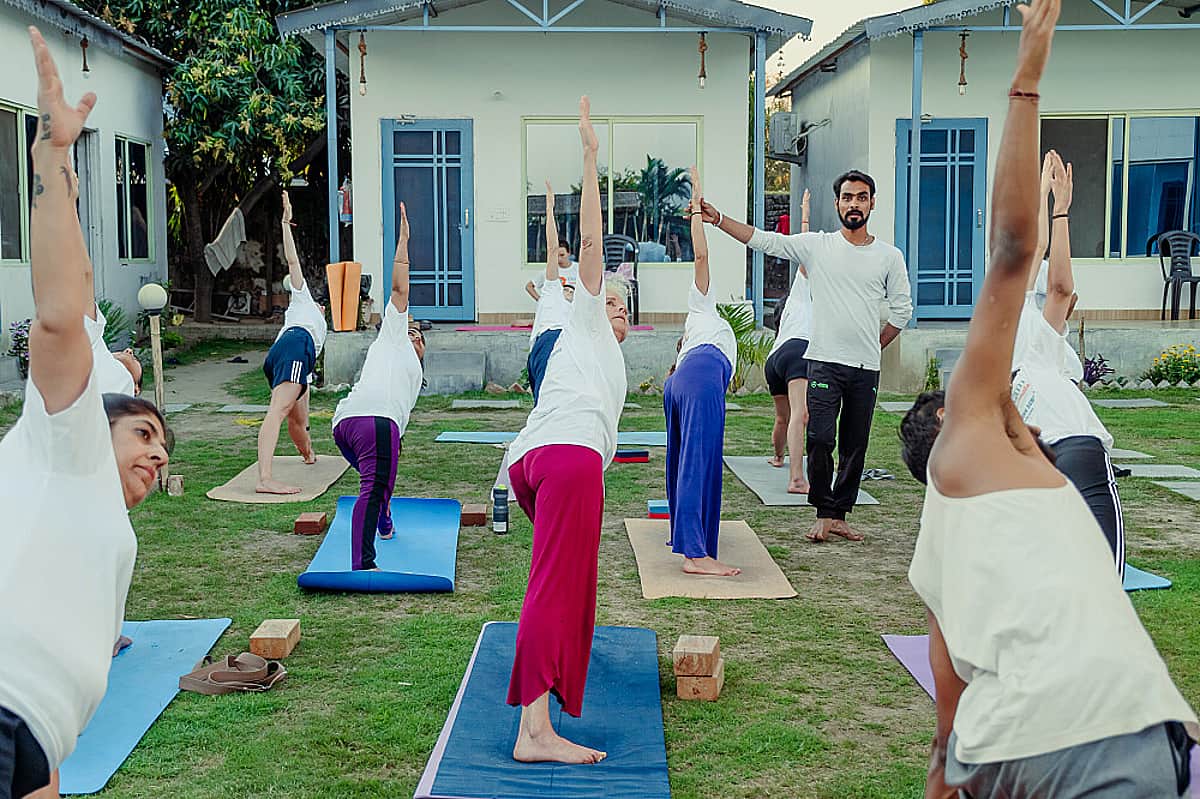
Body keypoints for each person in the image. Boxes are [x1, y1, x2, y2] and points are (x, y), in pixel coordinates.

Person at [897, 2, 1198, 794]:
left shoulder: (945, 544)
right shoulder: (973, 439)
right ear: (955, 423)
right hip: (1116, 739)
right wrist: (1027, 76)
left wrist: (940, 769)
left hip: (1032, 748)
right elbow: (1011, 250)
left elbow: (946, 690)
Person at [0, 29, 172, 799]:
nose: (157, 457)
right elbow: (62, 314)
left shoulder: (110, 534)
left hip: (31, 739)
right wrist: (52, 161)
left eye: (164, 451)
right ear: (93, 425)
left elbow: (56, 693)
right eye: (144, 433)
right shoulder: (63, 444)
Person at [505, 96, 629, 765]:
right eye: (603, 295)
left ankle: (542, 709)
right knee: (557, 590)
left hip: (543, 462)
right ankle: (534, 732)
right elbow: (588, 244)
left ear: (628, 324)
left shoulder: (609, 358)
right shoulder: (580, 316)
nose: (609, 302)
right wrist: (589, 157)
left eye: (618, 304)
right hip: (566, 459)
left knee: (566, 586)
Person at [702, 174, 912, 543]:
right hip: (824, 361)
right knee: (818, 437)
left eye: (861, 198)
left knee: (854, 444)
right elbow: (766, 241)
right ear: (837, 204)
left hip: (865, 367)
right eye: (847, 197)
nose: (854, 204)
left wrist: (875, 342)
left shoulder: (889, 257)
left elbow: (902, 309)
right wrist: (719, 219)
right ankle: (823, 510)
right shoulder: (818, 246)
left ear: (872, 204)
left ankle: (840, 514)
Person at [1010, 148, 1125, 575]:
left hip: (1037, 465)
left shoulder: (1042, 350)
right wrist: (1058, 210)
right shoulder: (1024, 344)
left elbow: (1054, 283)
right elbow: (1054, 282)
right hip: (1071, 449)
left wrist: (1052, 203)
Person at [331, 202, 426, 571]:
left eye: (420, 336)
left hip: (348, 427)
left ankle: (384, 523)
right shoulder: (392, 337)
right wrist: (403, 243)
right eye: (412, 329)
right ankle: (363, 564)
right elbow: (400, 290)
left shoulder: (414, 376)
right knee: (373, 488)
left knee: (379, 480)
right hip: (370, 420)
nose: (414, 335)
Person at [662, 167, 740, 577]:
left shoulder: (694, 333)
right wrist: (695, 205)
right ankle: (696, 555)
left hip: (682, 383)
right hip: (701, 377)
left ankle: (687, 539)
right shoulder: (701, 310)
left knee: (684, 461)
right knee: (698, 461)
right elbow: (702, 255)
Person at [256, 190, 327, 495]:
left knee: (298, 419)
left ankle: (308, 453)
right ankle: (264, 479)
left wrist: (309, 454)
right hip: (295, 346)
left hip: (293, 355)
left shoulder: (320, 327)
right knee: (279, 410)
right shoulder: (304, 300)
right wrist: (286, 223)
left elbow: (300, 424)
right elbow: (292, 260)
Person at [764, 188, 813, 495]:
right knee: (802, 414)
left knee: (784, 417)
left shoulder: (795, 295)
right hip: (799, 353)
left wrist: (805, 211)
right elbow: (804, 246)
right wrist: (804, 215)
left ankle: (779, 456)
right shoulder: (810, 282)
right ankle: (797, 477)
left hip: (775, 359)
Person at [526, 182, 575, 404]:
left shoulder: (576, 306)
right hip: (546, 340)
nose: (568, 291)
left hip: (568, 341)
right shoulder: (551, 291)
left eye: (571, 290)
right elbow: (553, 248)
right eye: (566, 288)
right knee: (543, 401)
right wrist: (549, 210)